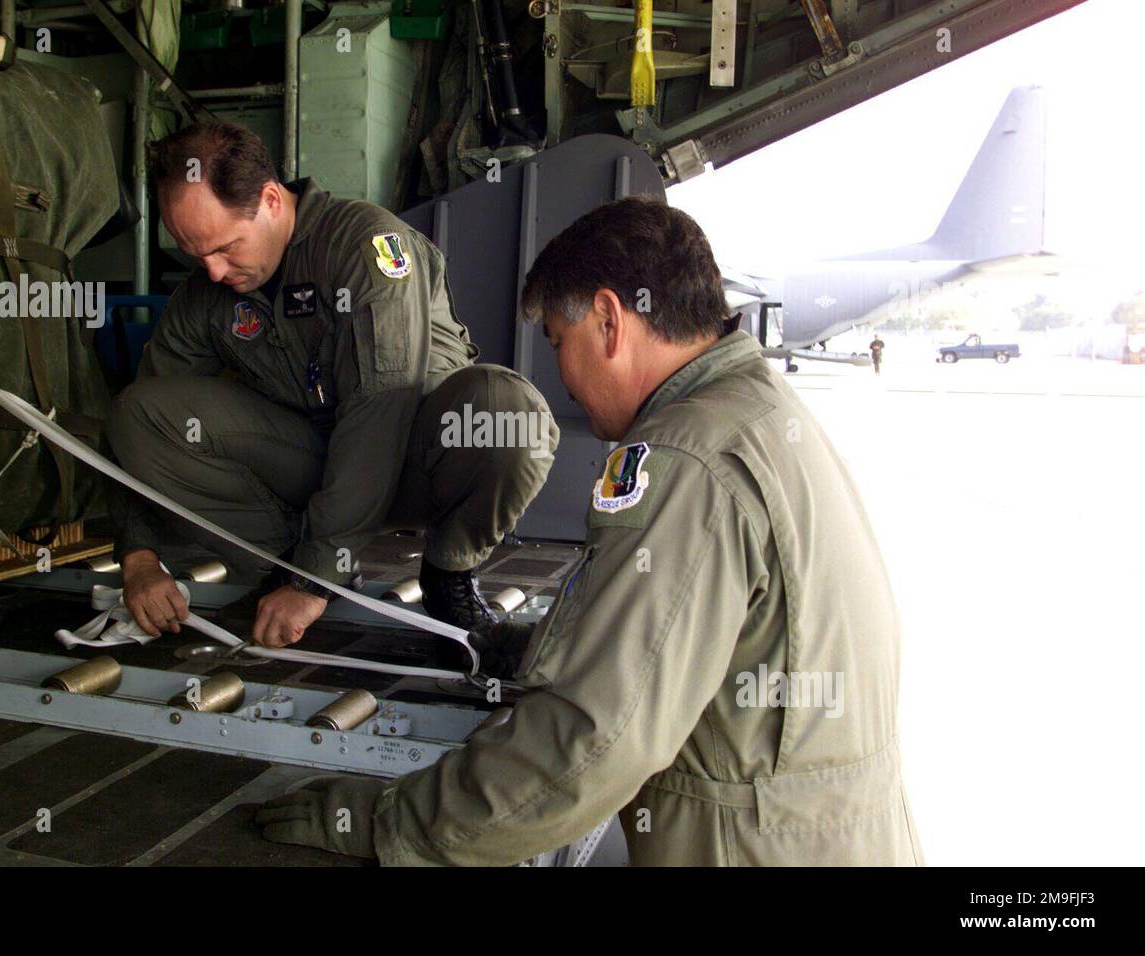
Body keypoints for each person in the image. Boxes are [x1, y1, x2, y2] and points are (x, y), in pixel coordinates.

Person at [257, 198, 922, 866]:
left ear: (609, 319)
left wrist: (386, 822)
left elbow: (595, 741)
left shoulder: (683, 459)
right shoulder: (755, 410)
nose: (563, 379)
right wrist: (545, 648)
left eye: (557, 341)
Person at [104, 122, 558, 647]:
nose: (211, 271)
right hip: (314, 467)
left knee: (507, 415)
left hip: (415, 459)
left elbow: (378, 414)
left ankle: (448, 572)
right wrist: (138, 558)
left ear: (272, 199)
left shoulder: (365, 248)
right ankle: (284, 563)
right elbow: (134, 426)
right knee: (136, 413)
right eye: (194, 253)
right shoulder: (206, 294)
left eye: (226, 247)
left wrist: (313, 579)